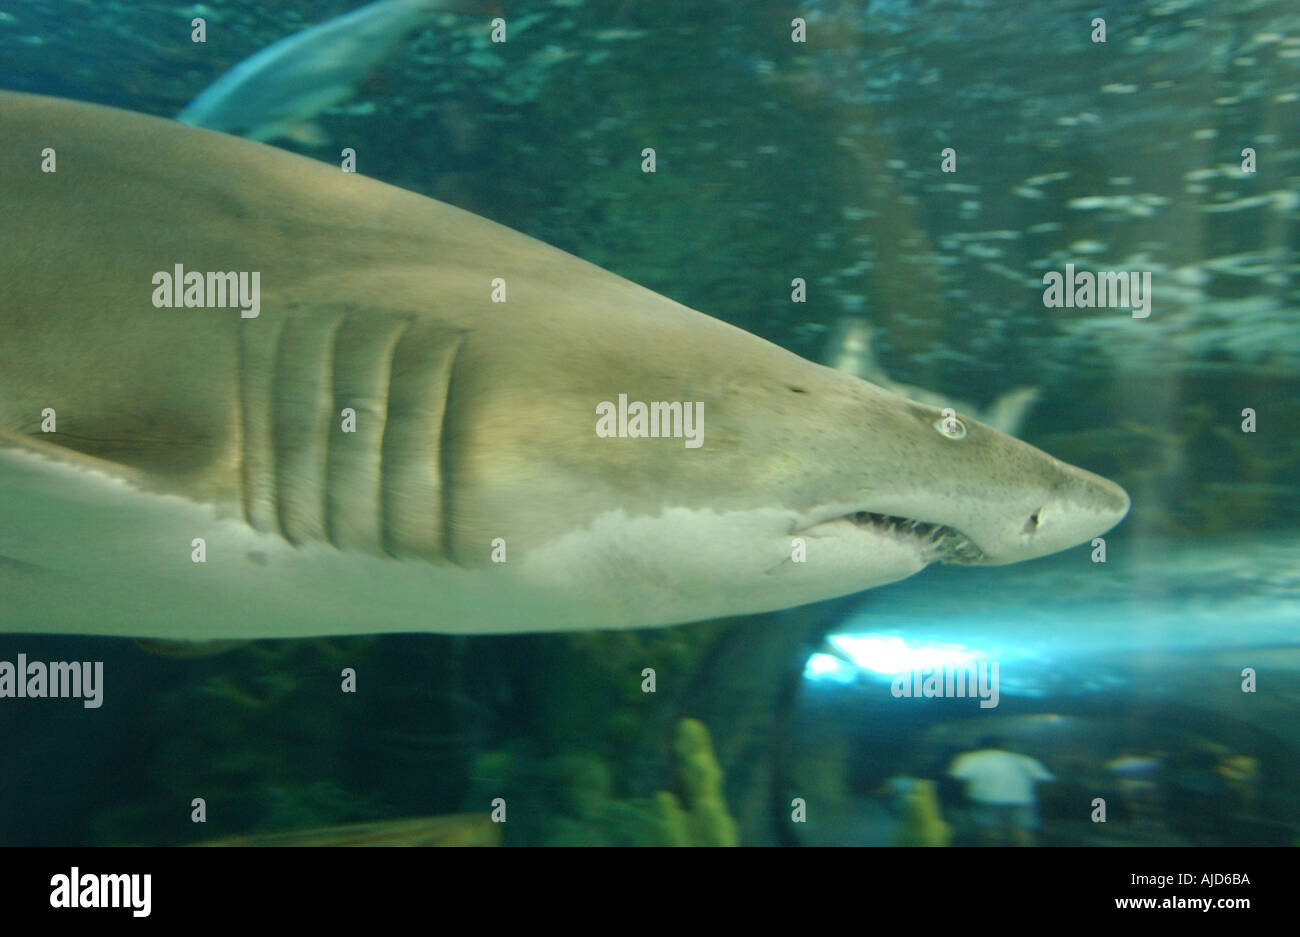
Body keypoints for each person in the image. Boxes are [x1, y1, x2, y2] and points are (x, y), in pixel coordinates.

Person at [949, 735, 1055, 845]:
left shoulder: (970, 758)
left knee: (990, 831)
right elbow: (1045, 778)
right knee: (1022, 831)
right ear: (1003, 745)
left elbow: (957, 776)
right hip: (1022, 800)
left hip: (986, 799)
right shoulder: (1023, 759)